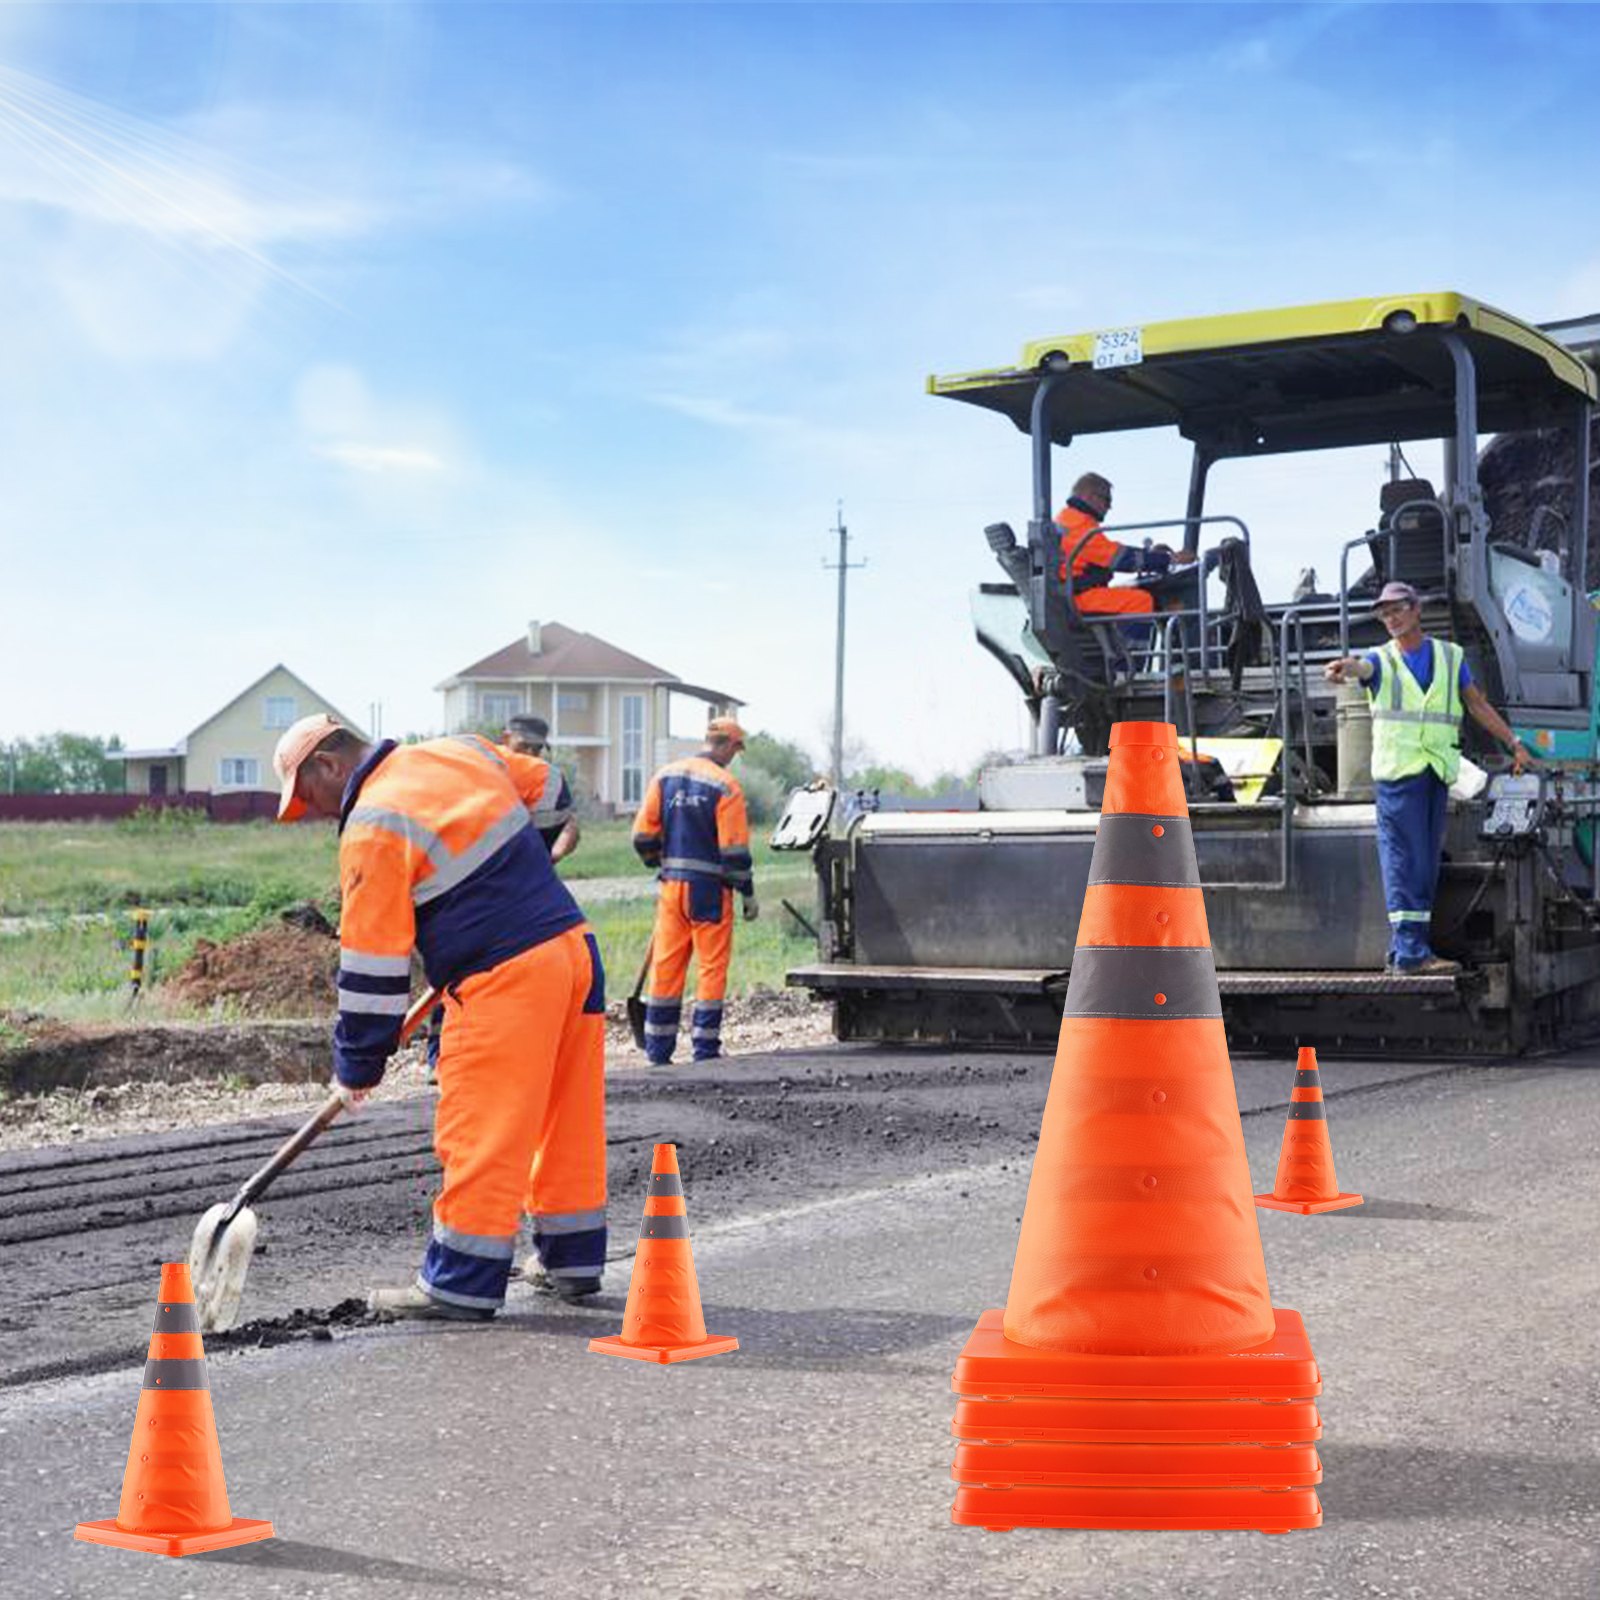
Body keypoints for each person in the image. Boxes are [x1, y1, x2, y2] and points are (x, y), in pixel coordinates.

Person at [272, 713, 607, 1318]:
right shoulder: (461, 753)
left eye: (309, 796)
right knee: (566, 1119)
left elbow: (373, 970)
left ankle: (460, 1283)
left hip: (507, 976)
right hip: (574, 951)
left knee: (482, 1126)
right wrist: (518, 870)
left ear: (329, 763)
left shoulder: (373, 823)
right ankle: (572, 1261)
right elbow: (553, 789)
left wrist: (356, 1067)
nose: (317, 812)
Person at [1325, 581, 1531, 974]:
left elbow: (1477, 705)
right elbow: (1359, 667)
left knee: (1422, 865)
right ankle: (1411, 955)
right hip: (1397, 778)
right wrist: (1342, 667)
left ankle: (1403, 950)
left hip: (1436, 773)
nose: (1391, 618)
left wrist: (1514, 742)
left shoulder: (1450, 658)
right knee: (1404, 863)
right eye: (1384, 613)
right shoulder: (1379, 660)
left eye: (1397, 609)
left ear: (1416, 609)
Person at [631, 716, 756, 1066]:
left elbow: (642, 837)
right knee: (711, 968)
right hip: (711, 893)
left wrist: (660, 863)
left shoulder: (665, 776)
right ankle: (704, 1050)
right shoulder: (726, 786)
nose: (735, 755)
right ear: (729, 745)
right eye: (736, 748)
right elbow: (734, 853)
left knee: (667, 966)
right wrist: (747, 892)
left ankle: (657, 1051)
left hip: (672, 888)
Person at [1056, 472, 1195, 617]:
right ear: (1090, 496)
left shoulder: (1072, 520)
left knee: (1136, 592)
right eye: (1107, 500)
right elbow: (1121, 559)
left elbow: (1114, 553)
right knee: (1140, 602)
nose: (1109, 507)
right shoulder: (1077, 525)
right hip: (1078, 598)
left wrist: (1153, 557)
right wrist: (1170, 559)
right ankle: (1126, 641)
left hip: (1077, 593)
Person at [502, 714, 581, 864]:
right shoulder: (483, 768)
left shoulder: (547, 781)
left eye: (537, 748)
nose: (530, 754)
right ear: (506, 739)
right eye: (524, 746)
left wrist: (555, 855)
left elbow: (569, 827)